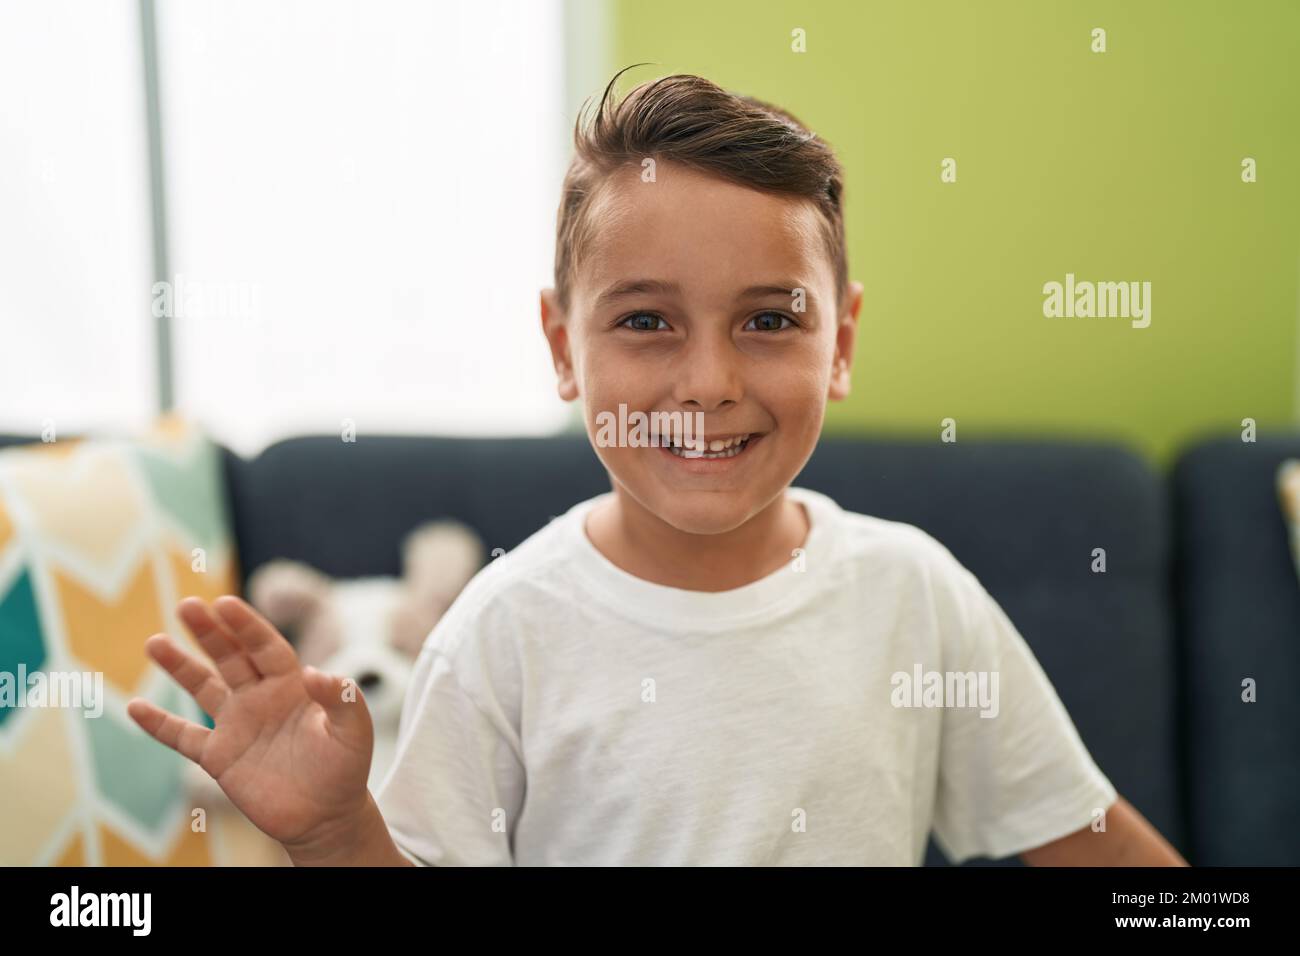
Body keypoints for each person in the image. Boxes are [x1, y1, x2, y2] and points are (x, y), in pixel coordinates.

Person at [130, 69, 1185, 867]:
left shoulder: (914, 595)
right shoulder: (503, 632)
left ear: (844, 339)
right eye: (645, 320)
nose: (709, 380)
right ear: (560, 346)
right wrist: (336, 829)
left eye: (769, 319)